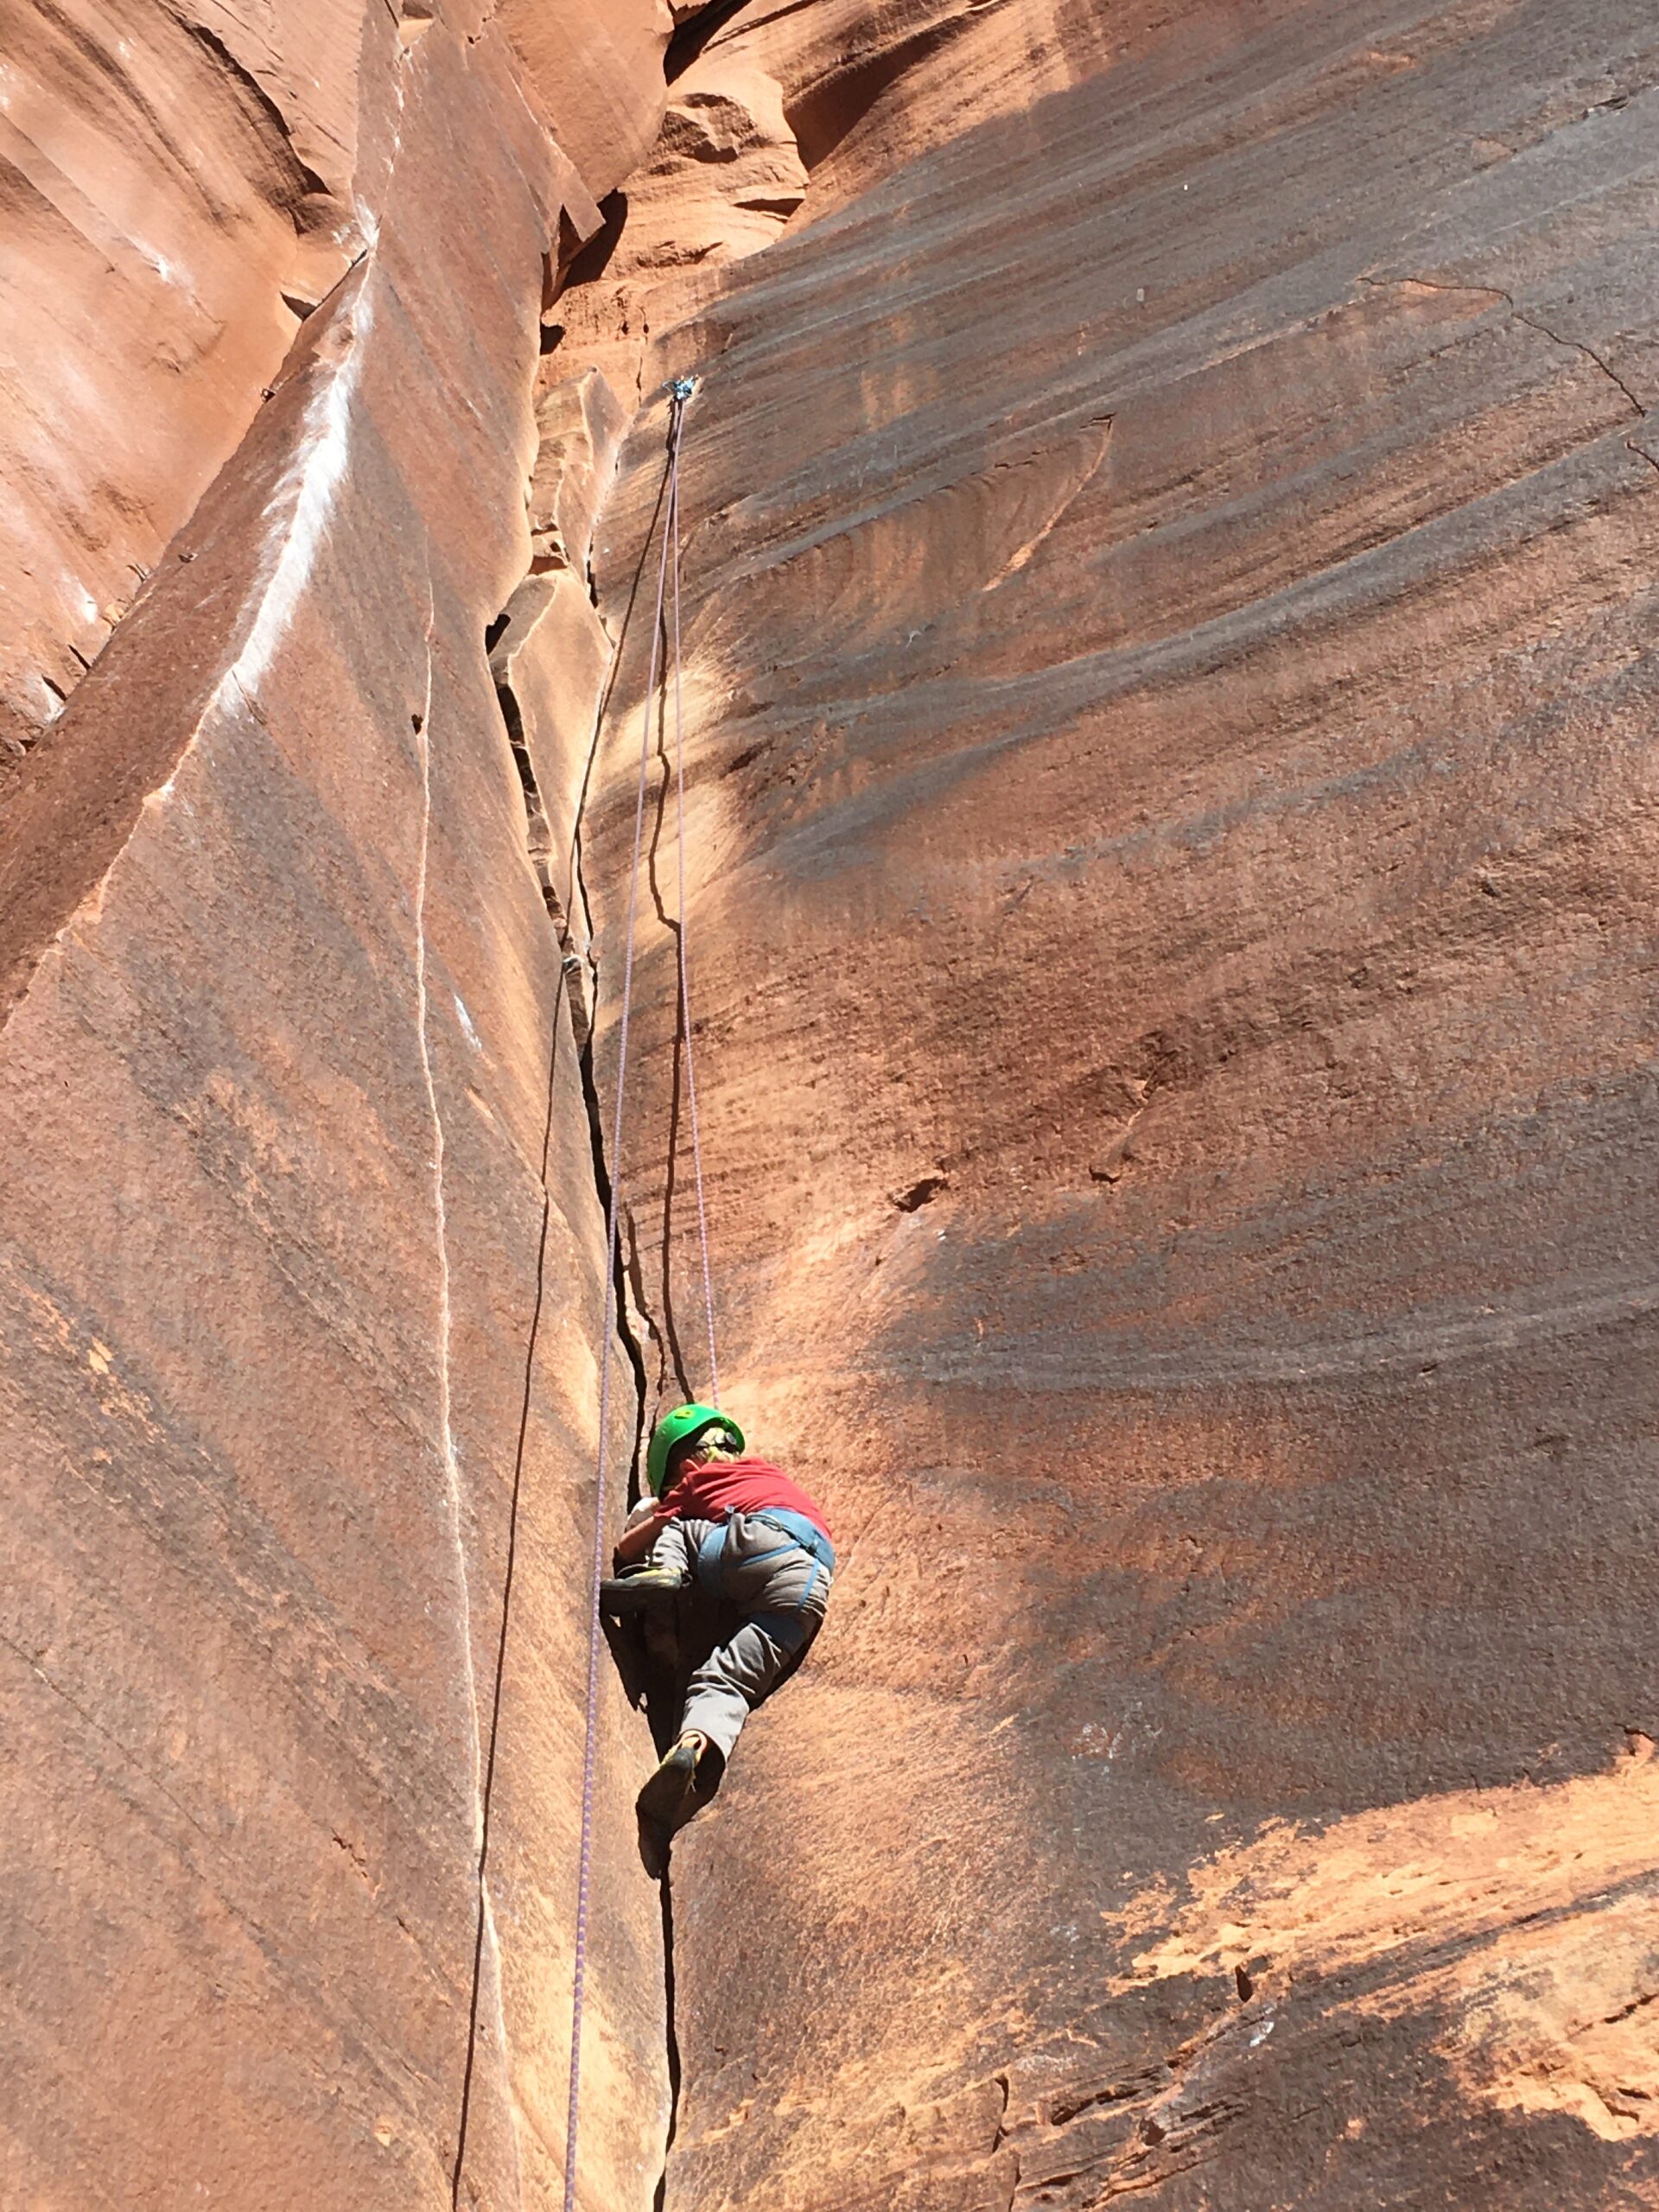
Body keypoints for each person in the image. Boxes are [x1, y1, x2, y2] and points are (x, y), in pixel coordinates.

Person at [600, 1403, 834, 1833]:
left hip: (760, 1542)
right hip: (810, 1584)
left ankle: (668, 1569)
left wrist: (635, 1544)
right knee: (729, 1682)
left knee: (677, 1526)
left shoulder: (698, 1479)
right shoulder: (768, 1474)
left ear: (687, 1463)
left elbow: (628, 1547)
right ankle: (693, 1747)